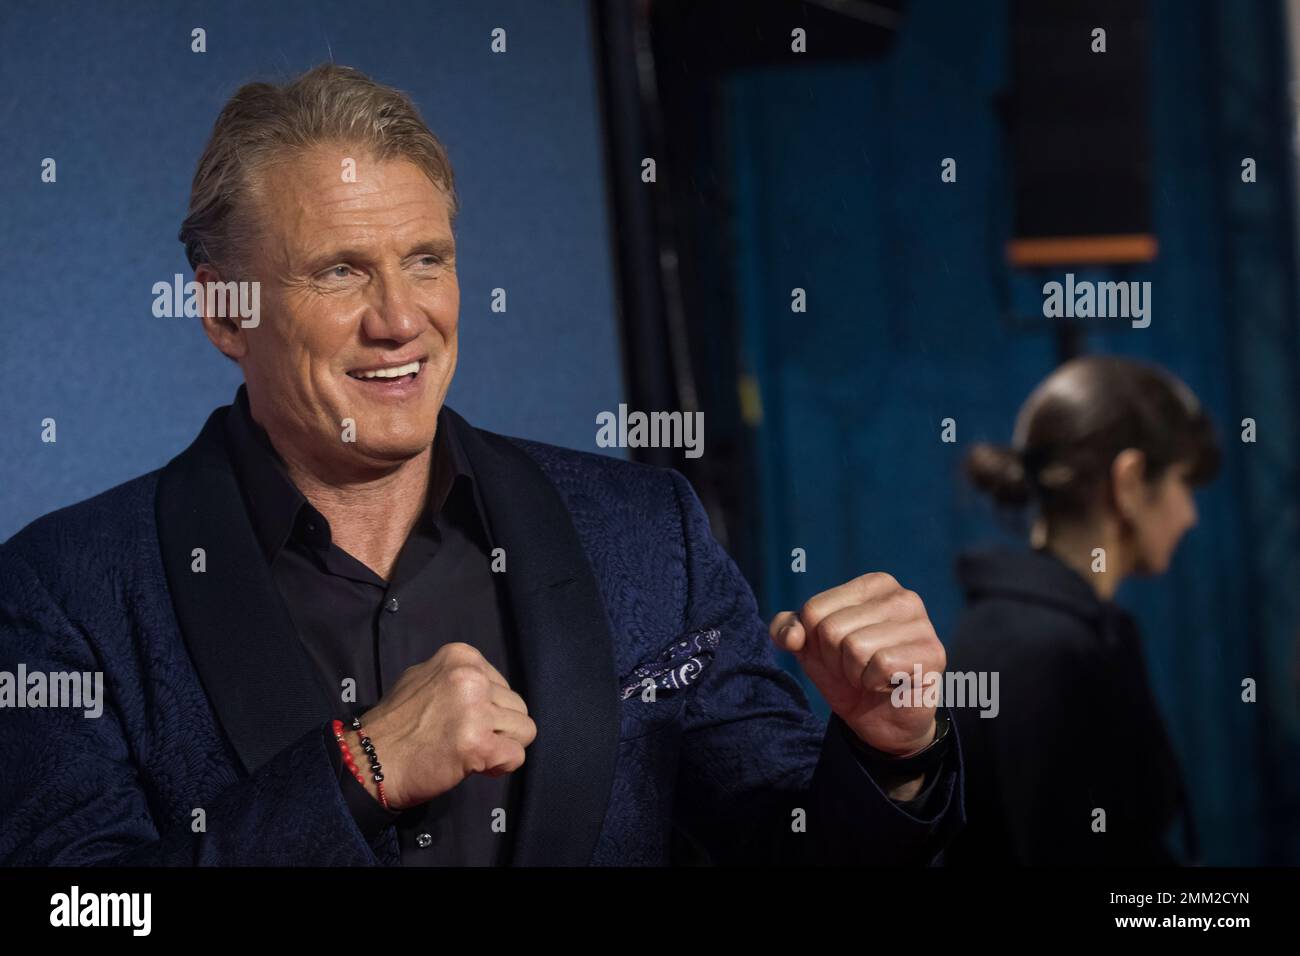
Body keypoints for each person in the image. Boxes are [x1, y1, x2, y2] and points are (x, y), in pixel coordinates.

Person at [0, 64, 962, 866]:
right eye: (339, 270)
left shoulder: (645, 535)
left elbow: (783, 847)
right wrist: (358, 771)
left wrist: (892, 756)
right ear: (222, 312)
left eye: (425, 259)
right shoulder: (64, 593)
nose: (399, 318)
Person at [946, 355, 1219, 866]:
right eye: (1184, 482)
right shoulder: (1041, 649)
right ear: (1132, 481)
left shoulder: (1046, 628)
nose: (1190, 514)